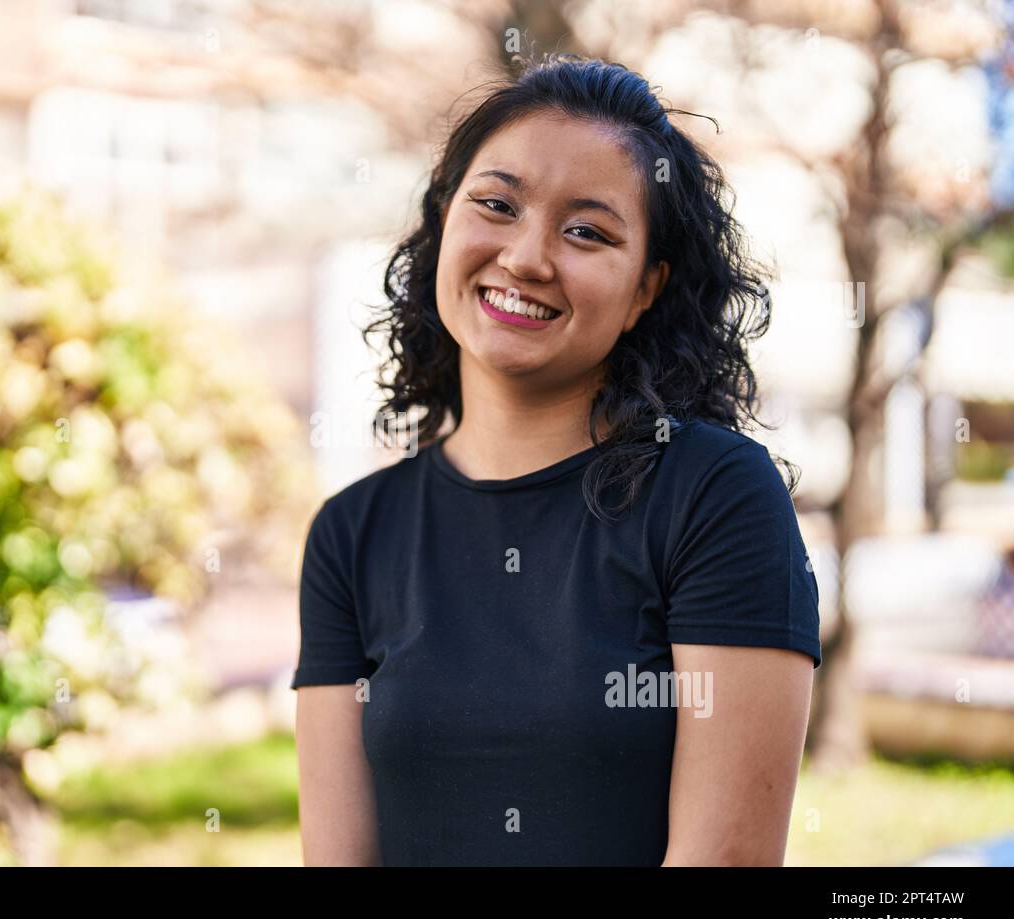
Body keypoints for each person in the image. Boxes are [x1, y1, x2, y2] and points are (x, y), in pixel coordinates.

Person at [291, 54, 821, 866]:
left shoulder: (713, 498)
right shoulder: (351, 534)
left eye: (587, 232)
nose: (528, 257)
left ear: (647, 287)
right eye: (496, 205)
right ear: (444, 222)